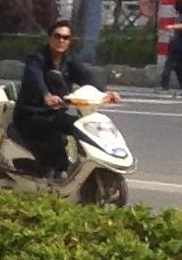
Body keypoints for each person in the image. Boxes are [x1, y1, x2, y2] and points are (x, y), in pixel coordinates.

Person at [12, 19, 110, 179]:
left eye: (66, 37)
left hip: (55, 114)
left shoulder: (69, 60)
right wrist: (46, 95)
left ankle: (80, 165)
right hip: (31, 115)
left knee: (81, 127)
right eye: (57, 36)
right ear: (49, 38)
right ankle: (60, 172)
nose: (61, 41)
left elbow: (85, 76)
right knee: (54, 136)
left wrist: (105, 92)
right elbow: (35, 79)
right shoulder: (36, 59)